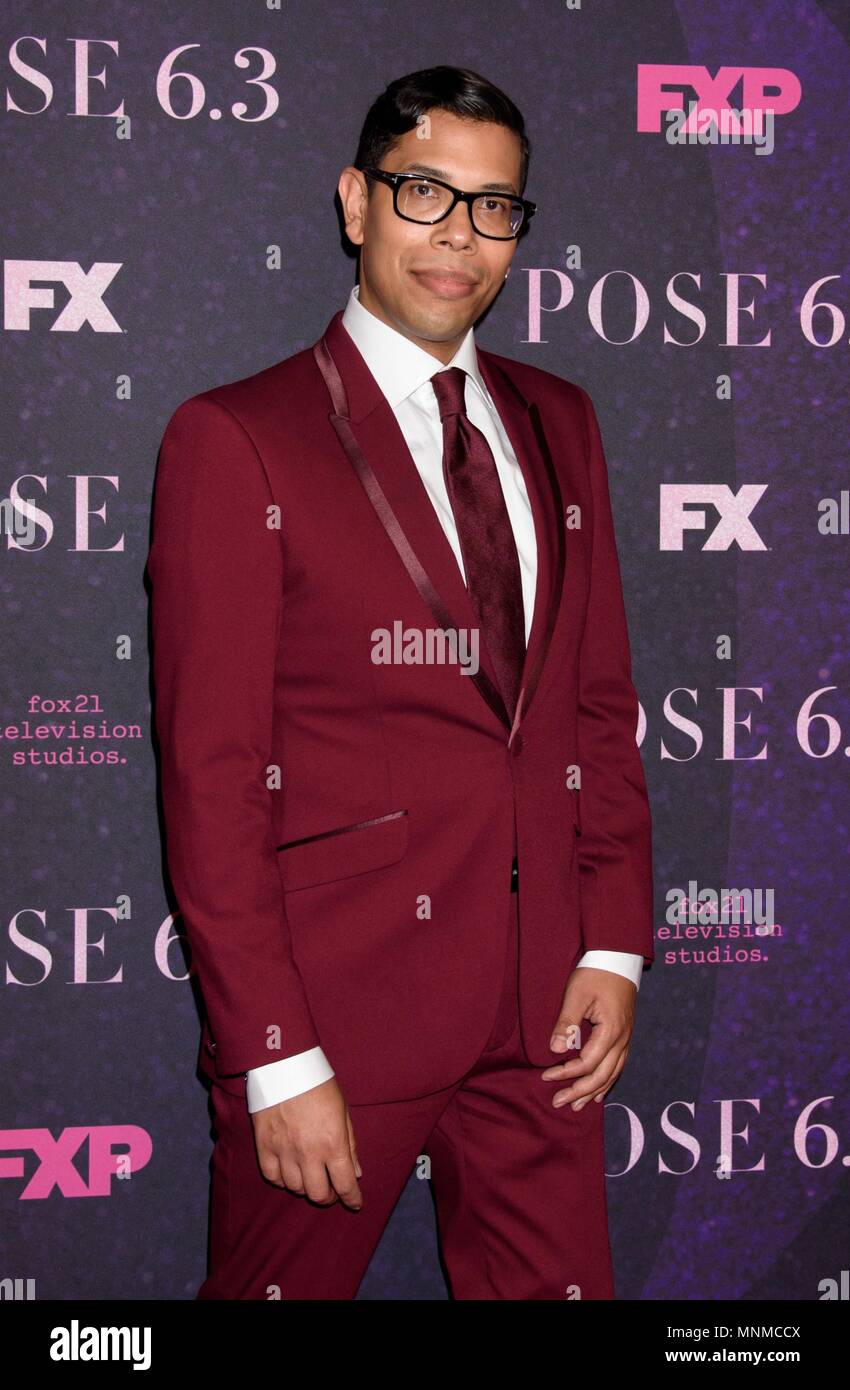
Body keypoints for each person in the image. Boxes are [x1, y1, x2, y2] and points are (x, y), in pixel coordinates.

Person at [147, 64, 654, 1301]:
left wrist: (615, 943)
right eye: (424, 192)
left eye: (494, 208)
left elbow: (595, 704)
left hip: (545, 1013)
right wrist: (275, 1055)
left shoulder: (559, 419)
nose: (460, 237)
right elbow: (211, 775)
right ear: (354, 203)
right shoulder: (238, 435)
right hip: (337, 1011)